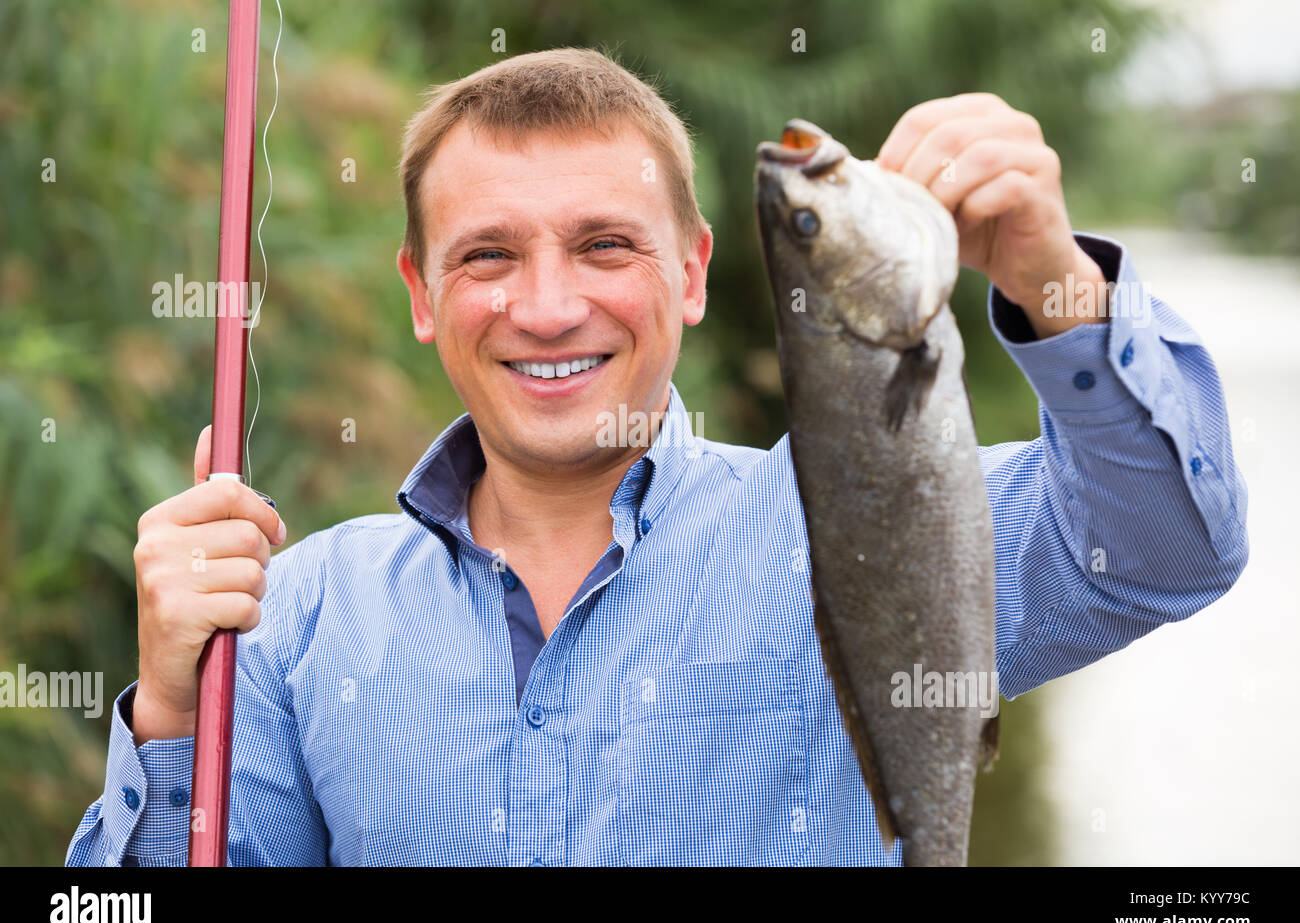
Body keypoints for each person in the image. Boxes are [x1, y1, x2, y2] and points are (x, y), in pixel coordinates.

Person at [67, 48, 1247, 866]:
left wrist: (1054, 284)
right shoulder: (292, 612)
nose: (544, 305)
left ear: (688, 274)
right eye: (487, 256)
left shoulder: (858, 507)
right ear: (422, 296)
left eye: (603, 244)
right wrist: (172, 707)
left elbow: (1160, 549)